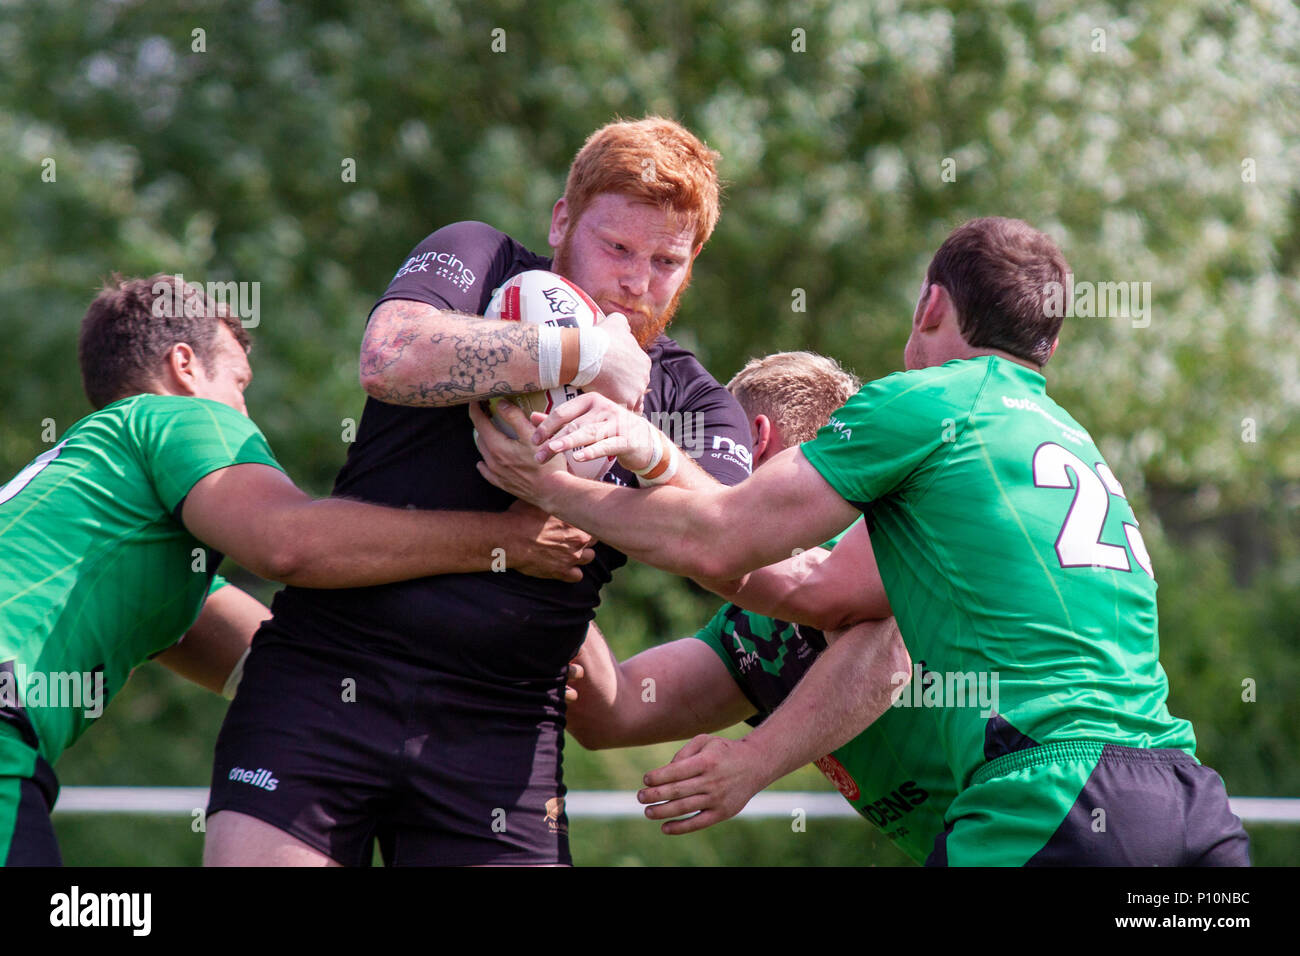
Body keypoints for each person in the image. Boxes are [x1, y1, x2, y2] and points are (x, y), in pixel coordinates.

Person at [476, 217, 1251, 866]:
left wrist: (564, 482)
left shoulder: (926, 404)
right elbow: (780, 601)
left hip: (1049, 798)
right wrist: (537, 551)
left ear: (931, 306)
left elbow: (731, 544)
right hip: (1184, 800)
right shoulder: (1063, 434)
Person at [204, 116, 756, 867]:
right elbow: (389, 355)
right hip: (326, 679)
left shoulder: (691, 402)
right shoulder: (481, 255)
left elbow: (725, 545)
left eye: (667, 259)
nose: (637, 279)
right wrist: (584, 351)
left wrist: (646, 449)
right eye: (617, 247)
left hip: (502, 726)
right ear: (562, 220)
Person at [0, 274, 589, 866]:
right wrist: (510, 540)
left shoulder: (100, 513)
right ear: (184, 365)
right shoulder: (177, 418)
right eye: (239, 384)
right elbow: (290, 545)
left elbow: (262, 649)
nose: (243, 411)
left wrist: (468, 663)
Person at [563, 351, 950, 863]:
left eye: (709, 434)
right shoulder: (754, 626)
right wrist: (553, 573)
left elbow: (885, 658)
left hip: (1048, 811)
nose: (697, 453)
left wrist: (751, 762)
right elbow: (615, 712)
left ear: (755, 438)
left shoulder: (870, 539)